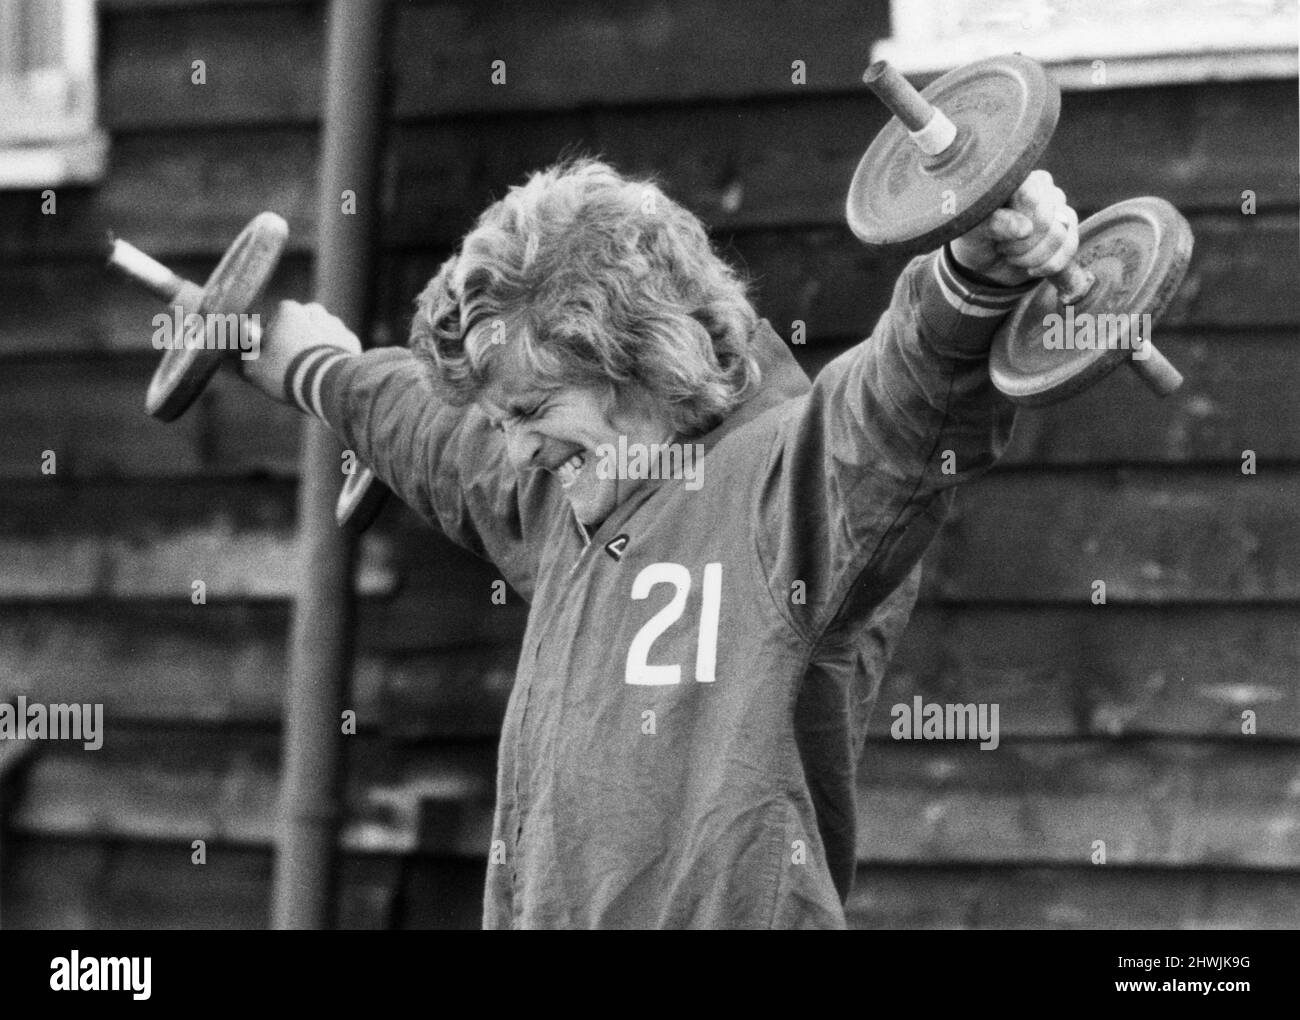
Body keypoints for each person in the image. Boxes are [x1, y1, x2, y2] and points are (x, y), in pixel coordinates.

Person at [242, 158, 1078, 928]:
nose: (519, 447)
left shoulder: (789, 492)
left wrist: (972, 272)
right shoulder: (563, 498)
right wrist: (313, 368)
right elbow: (430, 434)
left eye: (532, 412)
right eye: (502, 422)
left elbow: (900, 404)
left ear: (644, 358)